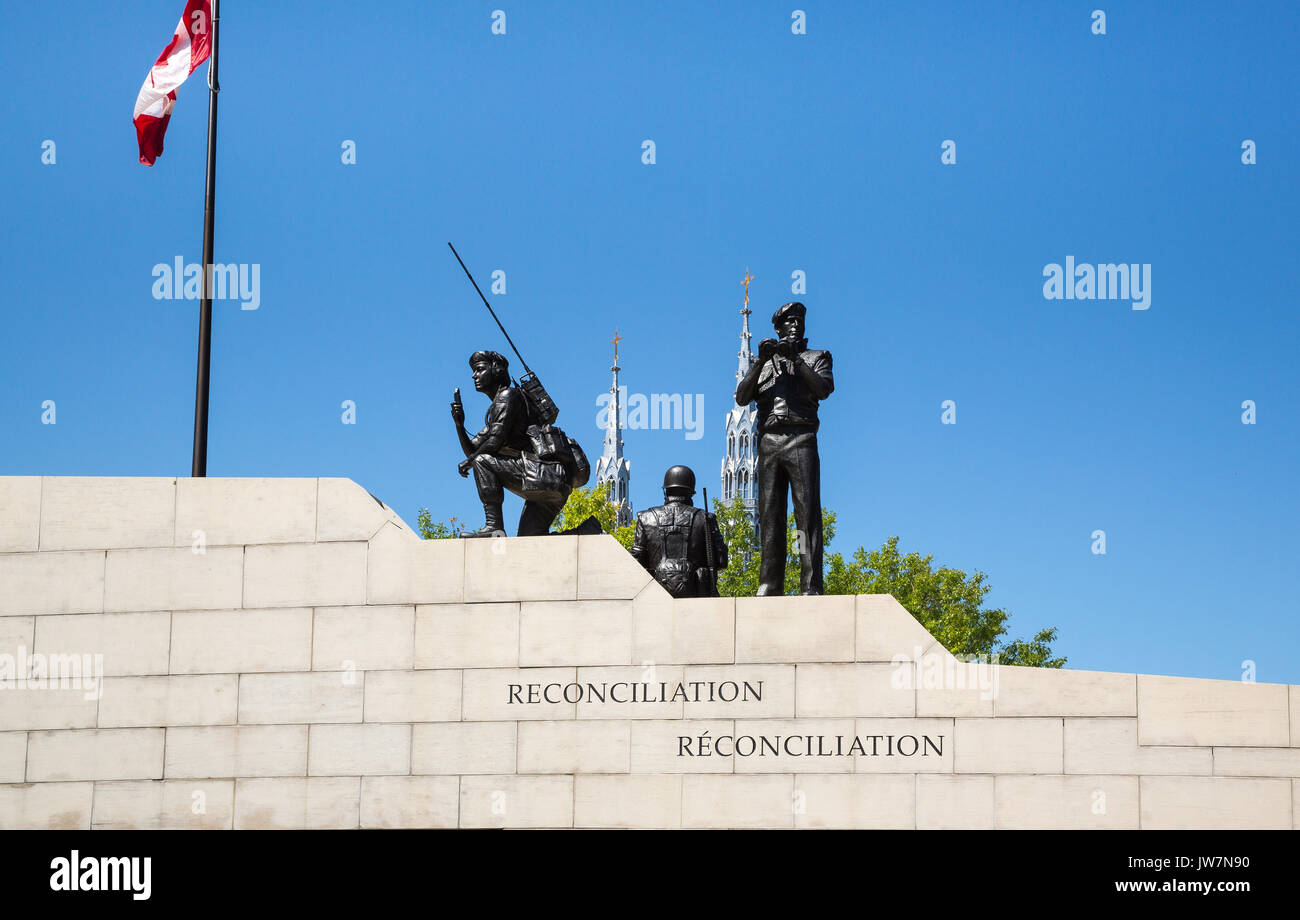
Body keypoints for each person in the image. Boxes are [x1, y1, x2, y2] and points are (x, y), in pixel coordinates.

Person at [734, 302, 834, 595]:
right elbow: (742, 398)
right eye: (788, 322)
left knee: (806, 517)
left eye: (799, 321)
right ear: (777, 329)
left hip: (801, 438)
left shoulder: (817, 357)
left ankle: (810, 584)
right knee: (770, 516)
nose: (794, 326)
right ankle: (769, 583)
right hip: (769, 442)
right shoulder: (764, 364)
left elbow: (824, 389)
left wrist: (798, 362)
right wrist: (757, 362)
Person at [451, 350, 570, 537]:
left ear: (496, 370)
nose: (474, 375)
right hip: (552, 483)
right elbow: (473, 449)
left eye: (480, 369)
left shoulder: (508, 396)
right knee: (531, 538)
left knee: (482, 461)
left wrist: (471, 461)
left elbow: (492, 443)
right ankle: (590, 531)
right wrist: (459, 425)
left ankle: (493, 526)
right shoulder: (500, 405)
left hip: (540, 475)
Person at [630, 465, 728, 598]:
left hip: (655, 596)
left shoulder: (645, 517)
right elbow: (722, 561)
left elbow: (636, 562)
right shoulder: (706, 518)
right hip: (697, 597)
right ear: (691, 493)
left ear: (666, 492)